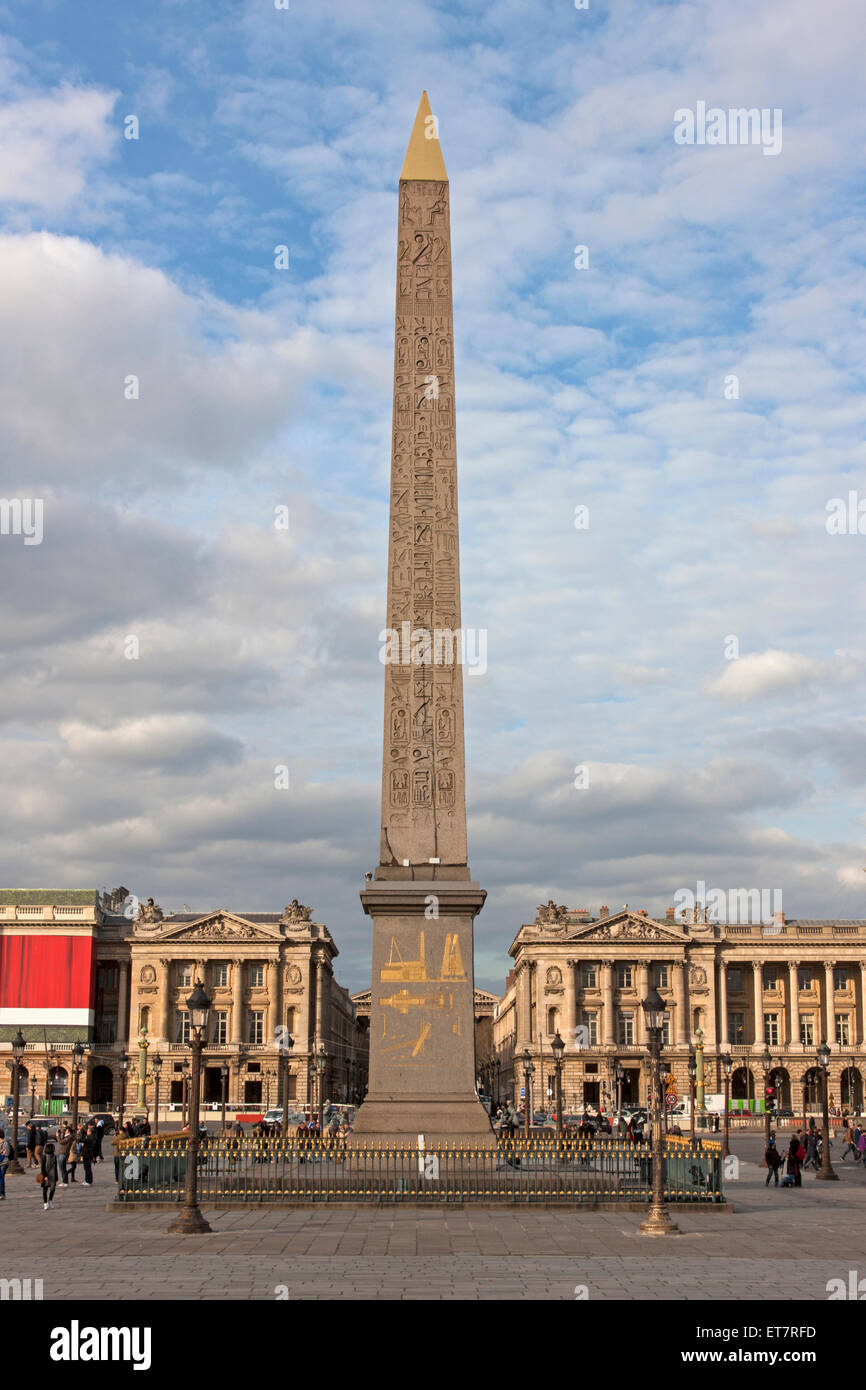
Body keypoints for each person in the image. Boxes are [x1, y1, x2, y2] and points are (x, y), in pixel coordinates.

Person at [40, 1138, 59, 1210]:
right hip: (46, 1174)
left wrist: (56, 1176)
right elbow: (42, 1167)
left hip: (53, 1174)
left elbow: (55, 1166)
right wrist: (44, 1176)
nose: (54, 1149)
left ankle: (50, 1200)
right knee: (45, 1189)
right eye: (54, 1148)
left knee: (52, 1188)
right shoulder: (44, 1157)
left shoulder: (54, 1156)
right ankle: (45, 1203)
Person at [0, 1127, 11, 1200]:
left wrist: (1, 1153)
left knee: (1, 1179)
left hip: (4, 1163)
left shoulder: (5, 1143)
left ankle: (2, 1193)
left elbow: (7, 1153)